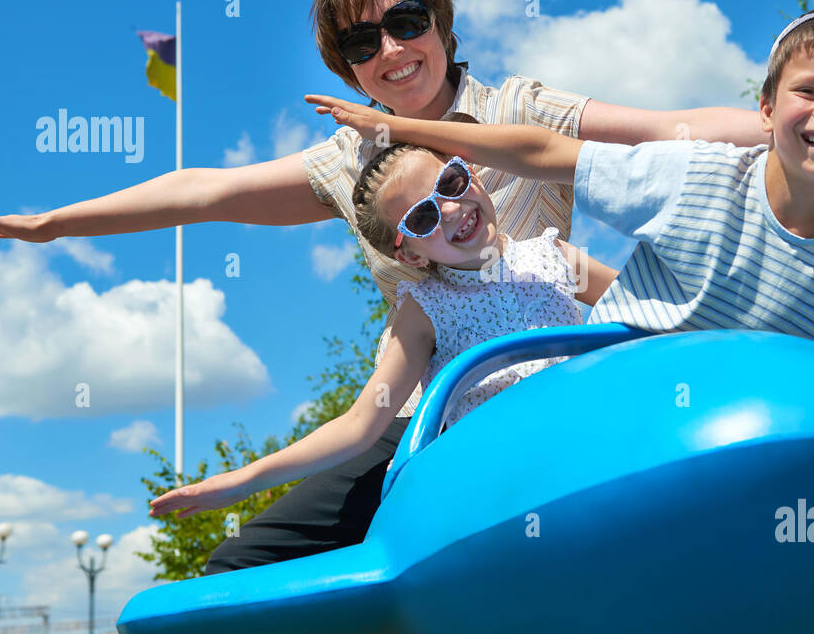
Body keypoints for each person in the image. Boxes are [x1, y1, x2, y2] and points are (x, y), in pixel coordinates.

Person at [0, 0, 814, 634]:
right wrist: (48, 221)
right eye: (362, 42)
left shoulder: (518, 109)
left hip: (565, 400)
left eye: (404, 22)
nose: (390, 50)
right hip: (447, 422)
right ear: (346, 69)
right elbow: (202, 191)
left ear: (438, 25)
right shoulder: (344, 169)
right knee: (253, 570)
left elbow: (673, 128)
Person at [308, 5, 814, 531]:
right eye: (808, 91)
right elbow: (546, 151)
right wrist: (416, 132)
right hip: (618, 425)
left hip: (736, 452)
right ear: (764, 112)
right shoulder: (688, 177)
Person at [149, 144, 617, 520]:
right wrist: (244, 480)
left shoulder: (555, 256)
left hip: (582, 443)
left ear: (469, 169)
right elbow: (359, 426)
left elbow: (648, 311)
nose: (452, 210)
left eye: (450, 183)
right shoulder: (425, 310)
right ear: (412, 255)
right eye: (423, 218)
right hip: (495, 478)